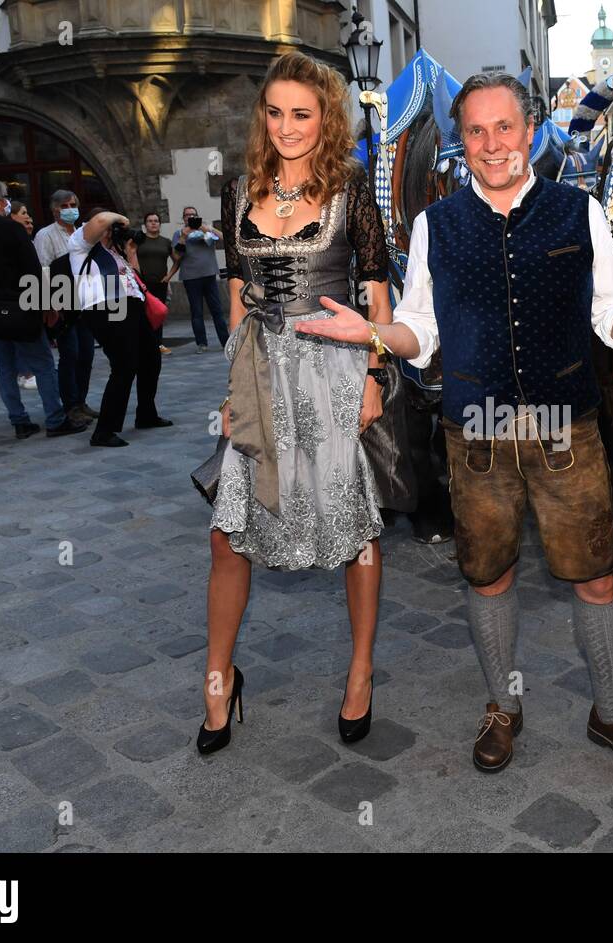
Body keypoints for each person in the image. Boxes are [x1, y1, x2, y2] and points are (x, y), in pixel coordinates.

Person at [301, 70, 613, 779]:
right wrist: (376, 335)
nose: (492, 144)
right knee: (488, 575)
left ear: (530, 131)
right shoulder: (437, 225)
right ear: (461, 143)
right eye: (475, 131)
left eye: (505, 127)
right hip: (477, 436)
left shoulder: (577, 212)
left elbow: (609, 316)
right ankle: (503, 705)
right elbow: (420, 334)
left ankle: (611, 710)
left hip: (566, 430)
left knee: (597, 578)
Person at [199, 51, 393, 754]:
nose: (286, 127)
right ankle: (218, 678)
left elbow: (375, 291)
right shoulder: (238, 190)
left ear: (326, 118)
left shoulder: (350, 188)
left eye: (301, 114)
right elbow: (232, 292)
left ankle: (361, 671)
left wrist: (375, 372)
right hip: (258, 375)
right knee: (228, 532)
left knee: (354, 529)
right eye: (275, 113)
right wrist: (230, 387)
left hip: (335, 372)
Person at [0, 180, 88, 440]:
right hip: (22, 307)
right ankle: (55, 419)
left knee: (5, 368)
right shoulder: (13, 229)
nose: (9, 200)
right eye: (7, 197)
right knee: (43, 364)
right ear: (0, 202)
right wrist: (47, 305)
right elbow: (31, 270)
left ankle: (19, 420)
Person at [68, 208, 171, 447]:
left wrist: (130, 251)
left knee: (150, 359)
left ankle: (146, 414)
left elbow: (134, 278)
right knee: (124, 366)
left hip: (131, 306)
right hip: (106, 309)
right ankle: (103, 431)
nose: (109, 233)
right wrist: (120, 219)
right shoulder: (80, 245)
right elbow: (101, 219)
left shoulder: (113, 251)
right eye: (108, 229)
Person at [35, 189, 97, 425]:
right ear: (55, 209)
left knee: (87, 354)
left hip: (86, 299)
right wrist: (50, 304)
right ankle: (70, 405)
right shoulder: (46, 235)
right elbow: (43, 269)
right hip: (63, 299)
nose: (71, 208)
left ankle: (81, 401)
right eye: (66, 205)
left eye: (74, 204)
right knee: (70, 354)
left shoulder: (83, 232)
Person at [170, 204, 229, 352]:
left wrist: (206, 228)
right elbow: (177, 256)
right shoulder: (179, 233)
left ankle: (226, 342)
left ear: (197, 216)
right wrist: (184, 237)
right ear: (183, 218)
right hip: (190, 277)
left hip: (209, 274)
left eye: (193, 215)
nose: (190, 217)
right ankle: (201, 344)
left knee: (217, 311)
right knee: (196, 312)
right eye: (187, 215)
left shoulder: (206, 230)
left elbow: (223, 238)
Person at [136, 212, 176, 354]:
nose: (153, 223)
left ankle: (158, 344)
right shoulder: (139, 241)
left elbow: (177, 259)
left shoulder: (165, 242)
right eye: (150, 221)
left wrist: (169, 276)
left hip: (160, 284)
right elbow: (130, 256)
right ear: (145, 224)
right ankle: (145, 344)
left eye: (156, 221)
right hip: (142, 284)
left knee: (158, 314)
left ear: (160, 224)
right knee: (143, 315)